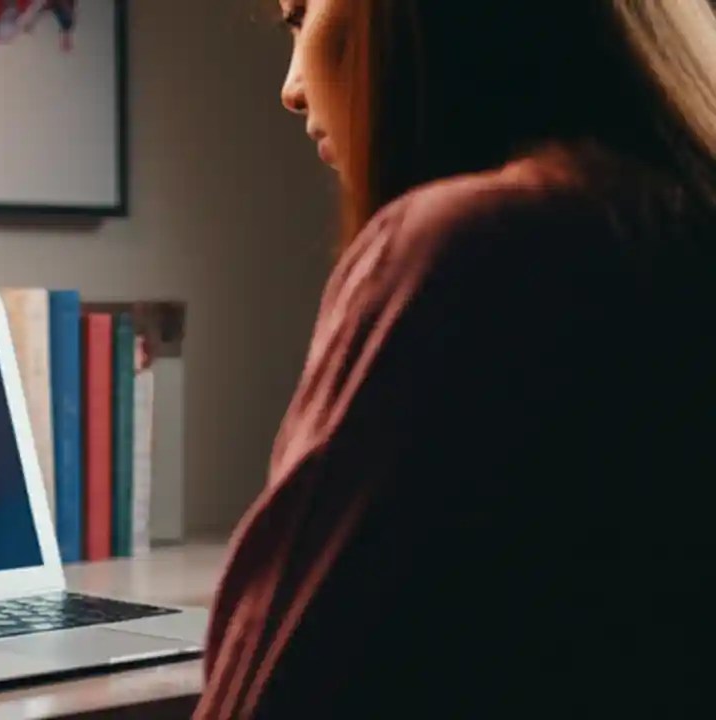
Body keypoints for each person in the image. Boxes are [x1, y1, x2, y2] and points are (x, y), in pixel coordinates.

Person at [196, 0, 716, 717]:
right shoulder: (671, 229)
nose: (291, 87)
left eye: (299, 15)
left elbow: (266, 696)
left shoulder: (468, 249)